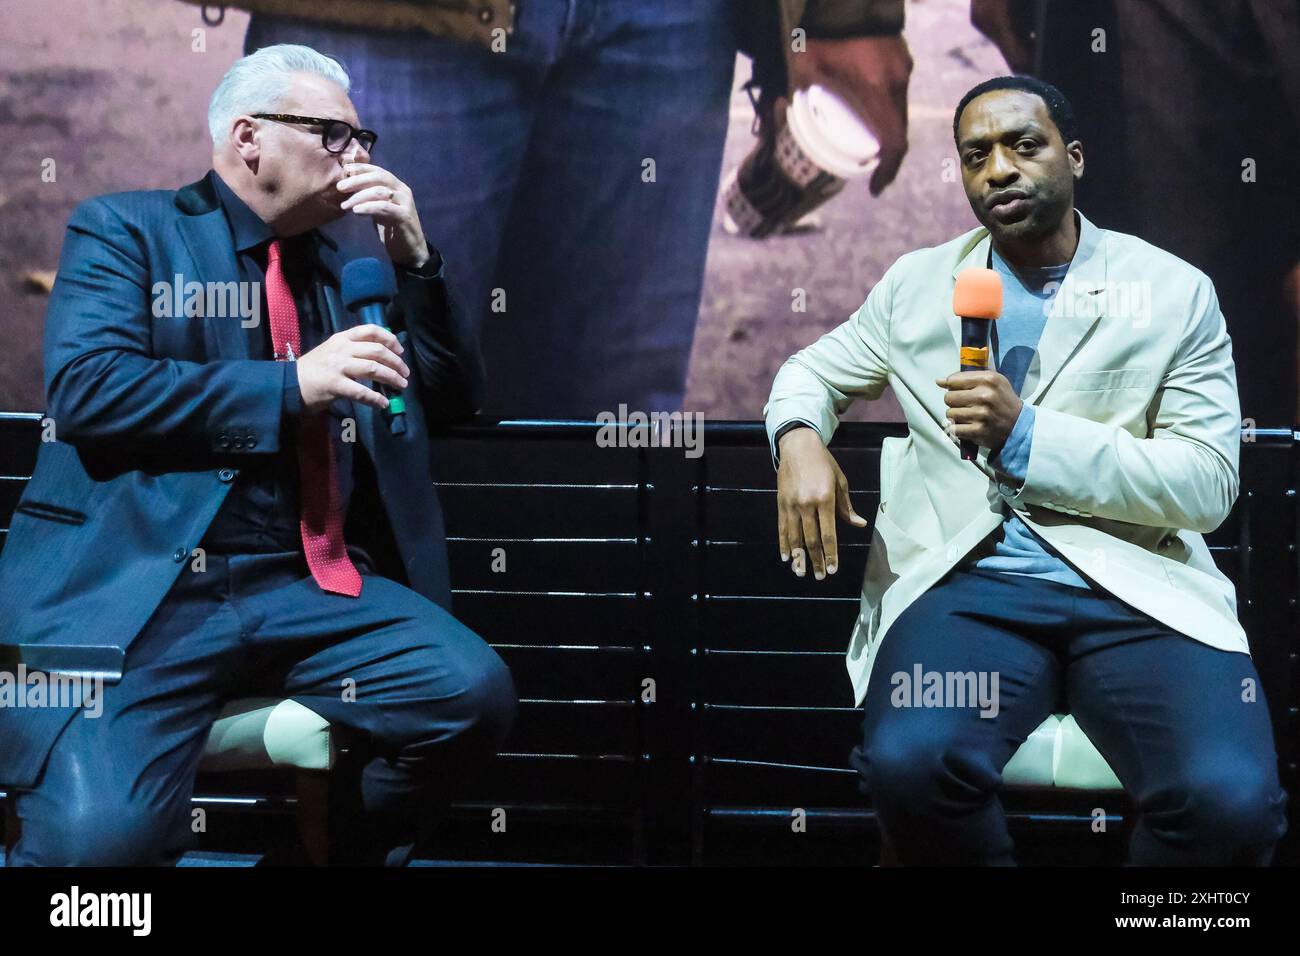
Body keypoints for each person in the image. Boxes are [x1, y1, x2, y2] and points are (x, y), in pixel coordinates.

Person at [0, 44, 516, 866]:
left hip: (307, 586)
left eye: (365, 138)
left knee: (468, 692)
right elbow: (90, 391)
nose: (361, 157)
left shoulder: (345, 275)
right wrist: (290, 386)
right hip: (151, 593)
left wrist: (416, 258)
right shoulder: (127, 230)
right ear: (249, 137)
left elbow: (455, 400)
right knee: (102, 852)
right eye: (336, 135)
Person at [764, 75, 1288, 865]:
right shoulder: (919, 285)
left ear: (1074, 158)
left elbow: (1208, 482)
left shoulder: (1172, 292)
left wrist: (1030, 438)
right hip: (970, 589)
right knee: (910, 764)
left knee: (1229, 801)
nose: (999, 169)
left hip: (1132, 582)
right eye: (976, 156)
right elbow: (813, 370)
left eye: (1024, 145)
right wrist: (799, 435)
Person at [181, 0, 914, 417]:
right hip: (388, 15)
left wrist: (844, 12)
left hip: (667, 20)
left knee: (606, 434)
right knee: (357, 410)